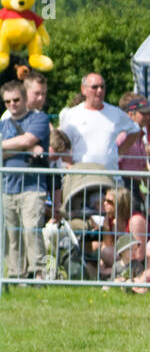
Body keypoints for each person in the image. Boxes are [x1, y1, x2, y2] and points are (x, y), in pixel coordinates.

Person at [2, 79, 51, 279]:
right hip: (7, 186)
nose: (12, 104)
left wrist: (16, 145)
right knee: (11, 234)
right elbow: (25, 144)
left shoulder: (38, 119)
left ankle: (38, 273)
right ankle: (15, 275)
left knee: (31, 229)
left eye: (16, 99)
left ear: (24, 98)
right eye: (7, 101)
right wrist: (24, 148)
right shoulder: (3, 123)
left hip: (32, 184)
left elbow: (28, 139)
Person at [59, 73, 139, 173]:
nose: (99, 91)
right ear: (83, 89)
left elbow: (135, 130)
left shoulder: (115, 113)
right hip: (81, 178)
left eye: (102, 87)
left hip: (110, 177)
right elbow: (61, 144)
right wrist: (70, 165)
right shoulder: (71, 114)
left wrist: (120, 151)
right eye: (94, 87)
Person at [117, 93, 150, 214]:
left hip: (134, 187)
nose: (149, 117)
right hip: (123, 186)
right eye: (144, 113)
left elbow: (144, 171)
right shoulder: (123, 135)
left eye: (149, 113)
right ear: (131, 114)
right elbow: (114, 163)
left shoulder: (139, 138)